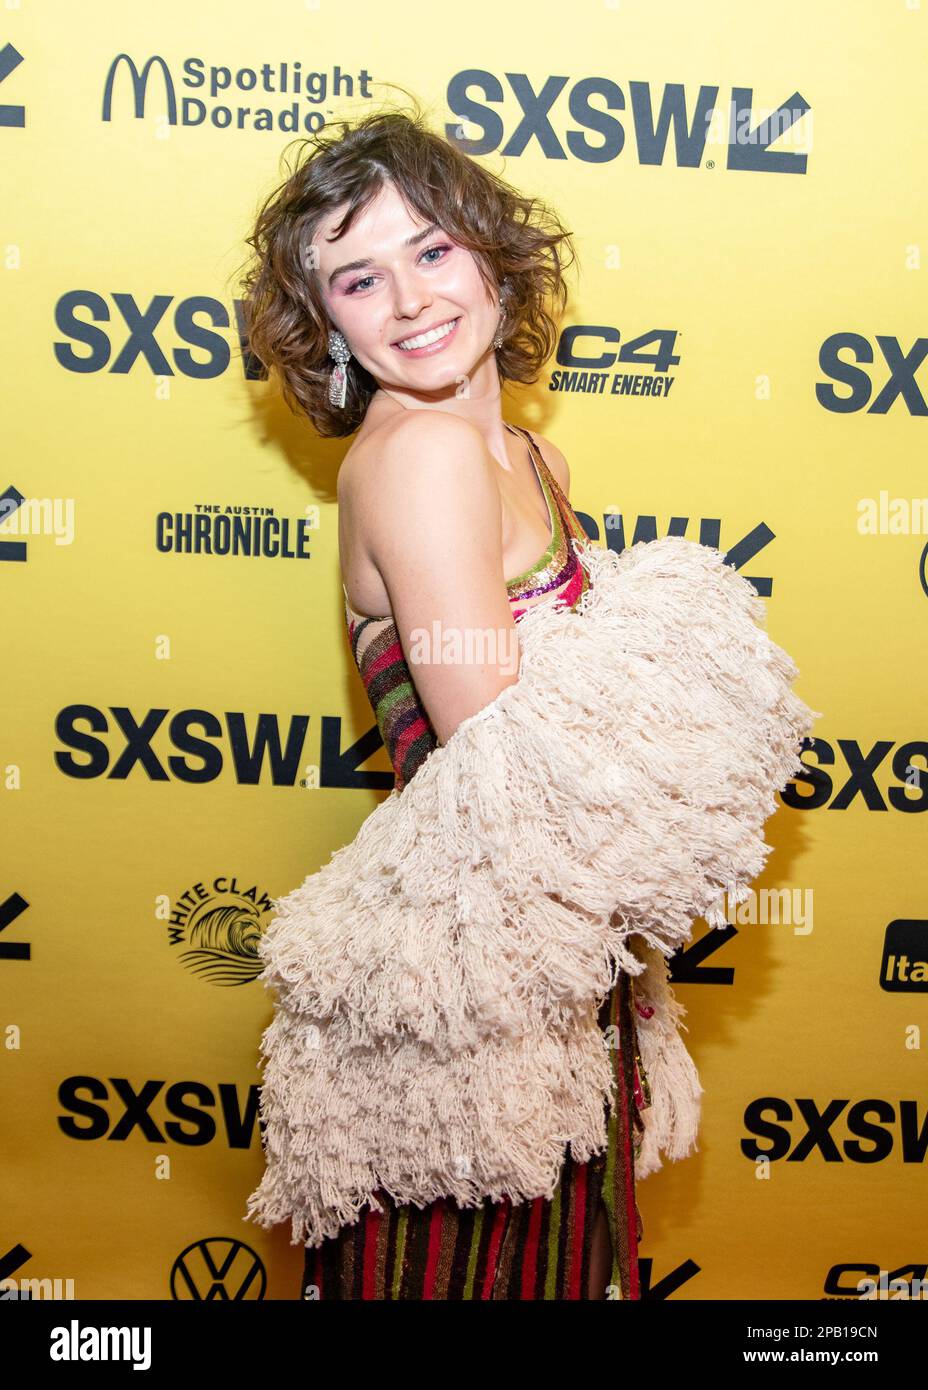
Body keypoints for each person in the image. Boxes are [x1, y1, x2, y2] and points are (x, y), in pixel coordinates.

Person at [239, 101, 654, 1300]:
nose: (411, 300)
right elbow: (498, 745)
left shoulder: (528, 456)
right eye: (358, 279)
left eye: (430, 251)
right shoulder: (415, 455)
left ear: (491, 255)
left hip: (547, 958)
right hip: (461, 988)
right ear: (323, 324)